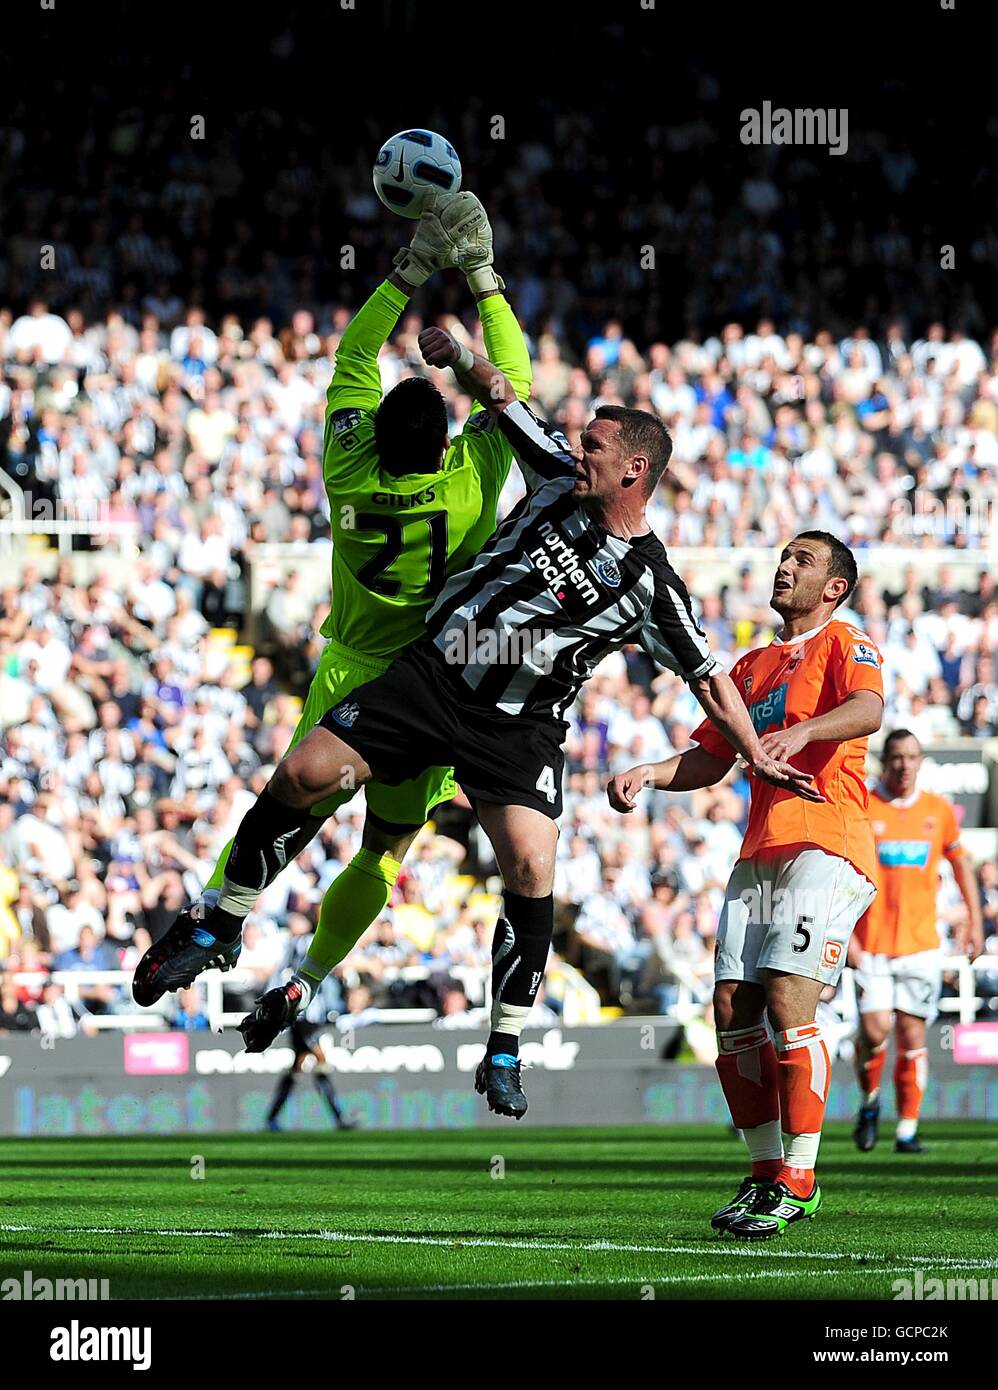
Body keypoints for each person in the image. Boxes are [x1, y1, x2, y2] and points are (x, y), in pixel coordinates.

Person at [161, 327, 813, 1122]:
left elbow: (707, 677)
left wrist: (754, 754)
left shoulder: (653, 585)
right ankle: (219, 923)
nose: (580, 450)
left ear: (634, 469)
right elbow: (505, 399)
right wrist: (462, 352)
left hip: (518, 727)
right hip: (433, 678)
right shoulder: (553, 473)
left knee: (533, 871)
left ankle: (503, 1046)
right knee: (301, 774)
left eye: (597, 446)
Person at [132, 190, 531, 1007]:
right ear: (448, 440)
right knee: (382, 851)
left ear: (375, 433)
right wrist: (482, 280)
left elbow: (353, 356)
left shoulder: (348, 466)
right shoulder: (470, 478)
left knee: (290, 802)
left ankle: (217, 919)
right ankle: (307, 978)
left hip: (351, 669)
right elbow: (513, 387)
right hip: (432, 682)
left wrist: (410, 269)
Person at [609, 533, 884, 1238]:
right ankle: (763, 1174)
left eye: (804, 562)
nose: (785, 567)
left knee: (792, 996)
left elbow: (868, 710)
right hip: (759, 848)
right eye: (784, 556)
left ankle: (801, 1176)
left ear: (835, 587)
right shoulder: (751, 666)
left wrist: (803, 734)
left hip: (828, 840)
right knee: (732, 1005)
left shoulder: (846, 640)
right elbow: (711, 757)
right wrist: (650, 772)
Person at [851, 729, 984, 1154]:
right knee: (874, 1033)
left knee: (912, 1036)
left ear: (921, 761)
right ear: (884, 761)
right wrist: (844, 936)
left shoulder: (938, 811)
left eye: (911, 757)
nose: (903, 765)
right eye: (896, 757)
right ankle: (870, 1102)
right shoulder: (864, 807)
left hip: (921, 944)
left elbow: (962, 867)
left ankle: (907, 1129)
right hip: (870, 943)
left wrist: (975, 923)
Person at [263, 916, 355, 1132]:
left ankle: (272, 1118)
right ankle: (339, 1117)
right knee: (321, 1058)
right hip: (302, 1015)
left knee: (299, 1066)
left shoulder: (316, 940)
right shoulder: (300, 943)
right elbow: (281, 969)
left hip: (313, 1014)